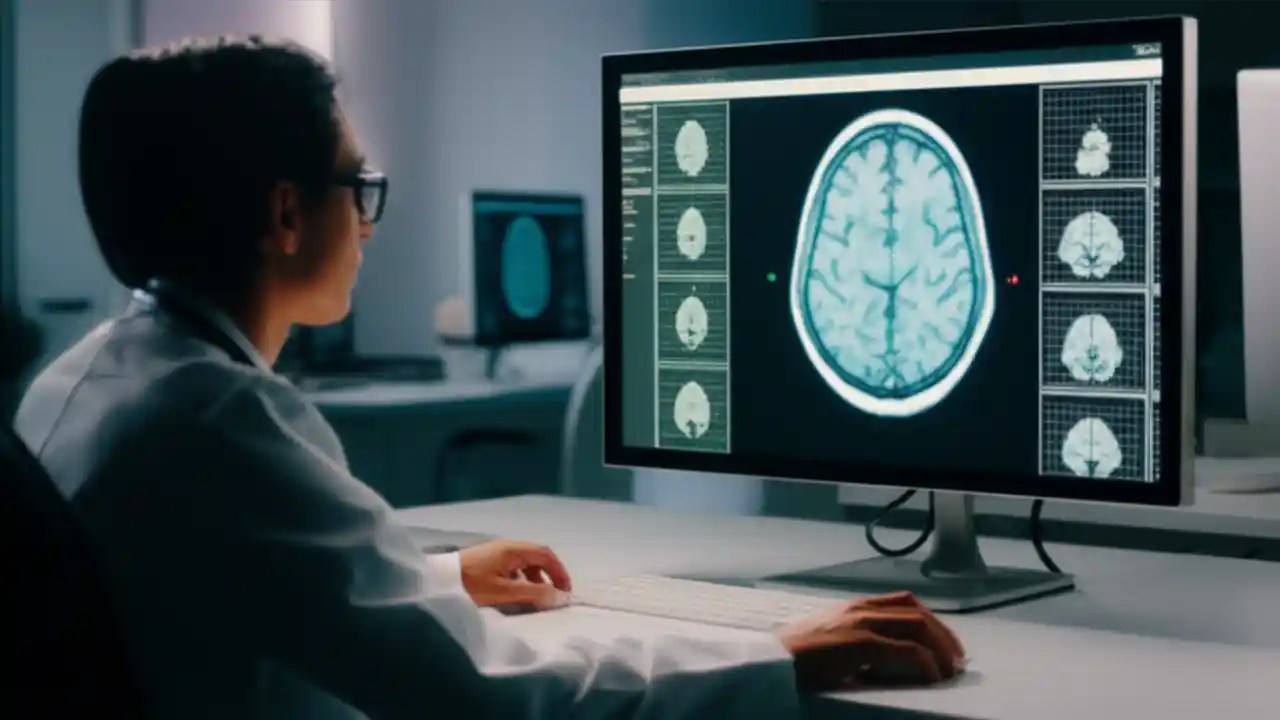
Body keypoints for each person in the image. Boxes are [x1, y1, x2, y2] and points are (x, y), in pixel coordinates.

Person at [14, 36, 965, 719]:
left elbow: (249, 575)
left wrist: (433, 578)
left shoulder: (87, 378)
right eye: (359, 187)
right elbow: (496, 697)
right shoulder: (219, 418)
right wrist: (773, 657)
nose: (370, 223)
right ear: (286, 215)